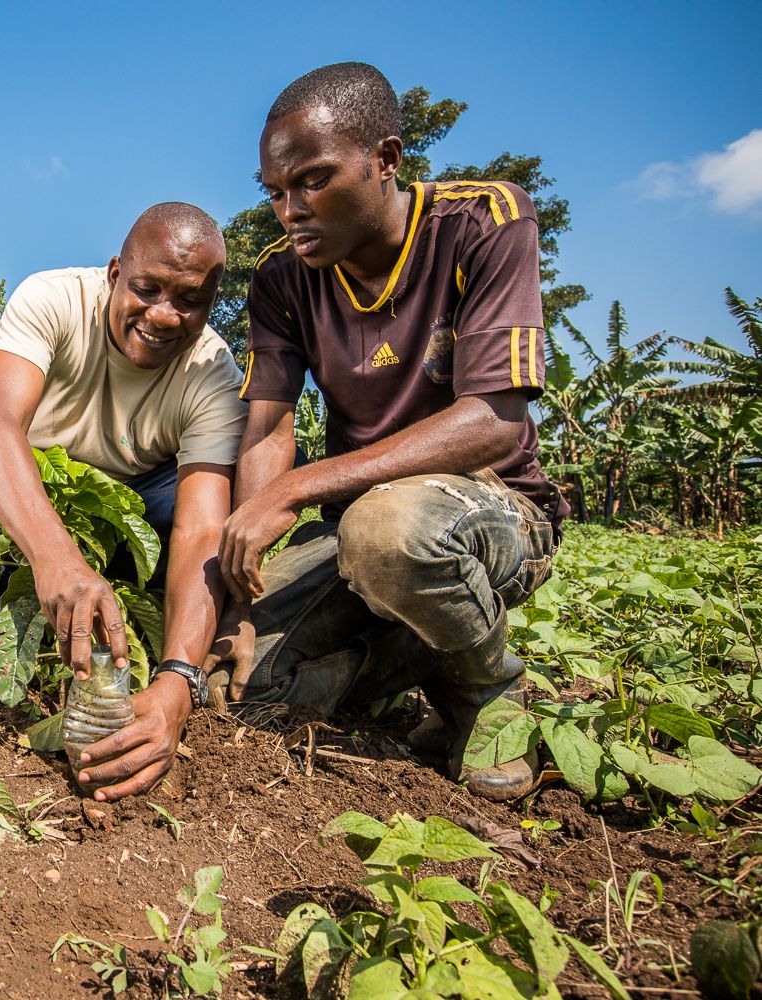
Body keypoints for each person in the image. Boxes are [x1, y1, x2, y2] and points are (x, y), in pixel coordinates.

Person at [191, 61, 568, 802]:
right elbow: (267, 423)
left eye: (312, 180)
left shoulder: (481, 221)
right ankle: (425, 647)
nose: (289, 209)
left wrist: (298, 489)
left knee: (389, 530)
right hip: (353, 525)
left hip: (490, 510)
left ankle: (489, 693)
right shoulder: (281, 278)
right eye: (274, 191)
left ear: (386, 159)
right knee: (240, 682)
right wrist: (240, 599)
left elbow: (495, 420)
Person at [0, 203, 247, 801]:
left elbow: (199, 530)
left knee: (230, 493)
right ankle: (24, 576)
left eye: (189, 300)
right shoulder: (54, 299)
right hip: (35, 491)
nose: (164, 315)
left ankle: (117, 592)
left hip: (135, 504)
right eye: (147, 289)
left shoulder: (212, 371)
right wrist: (55, 556)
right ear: (115, 273)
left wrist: (175, 683)